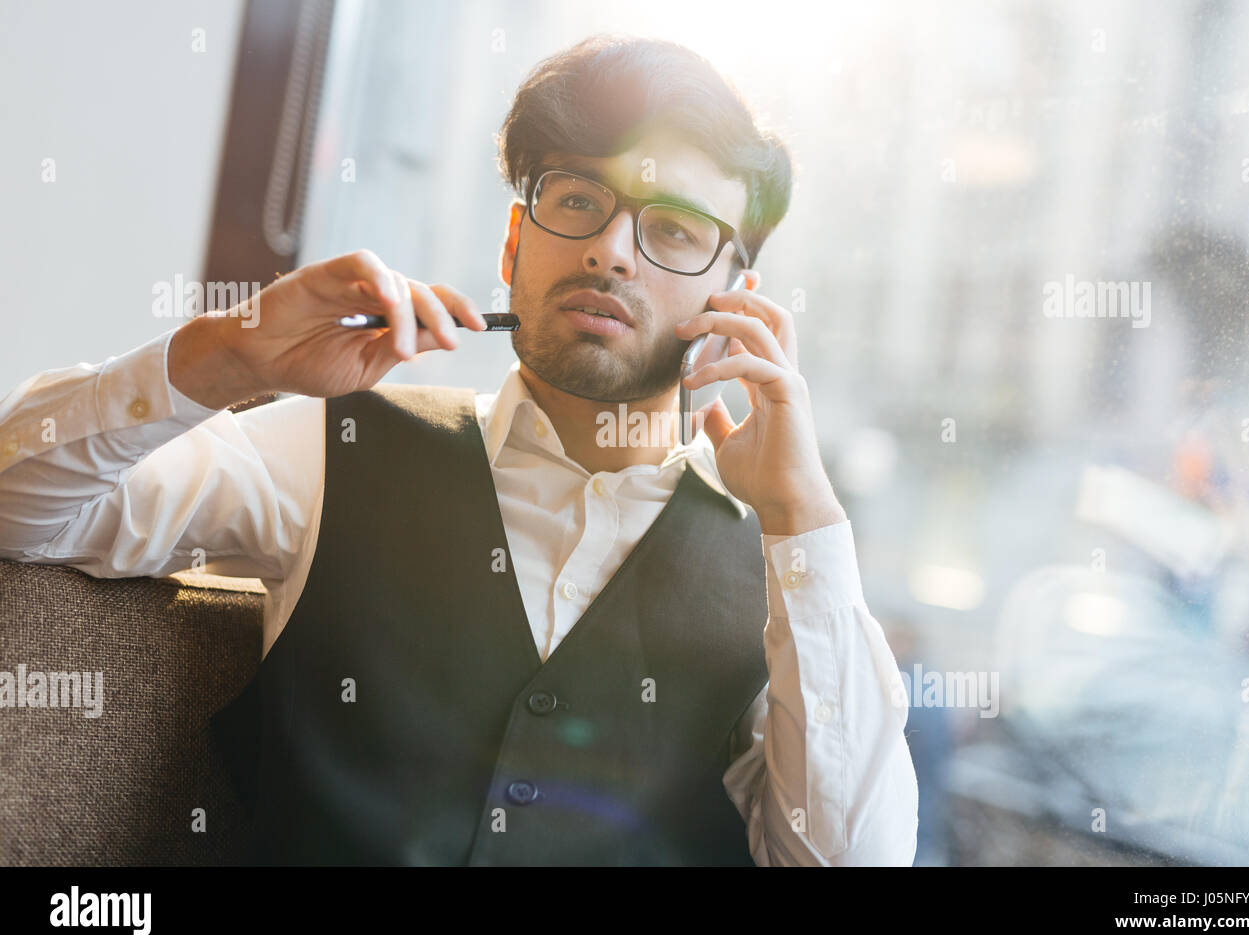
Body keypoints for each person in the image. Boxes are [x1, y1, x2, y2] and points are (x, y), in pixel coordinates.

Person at [0, 34, 918, 866]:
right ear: (516, 243)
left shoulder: (784, 581)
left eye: (672, 229)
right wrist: (226, 354)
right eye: (577, 201)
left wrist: (803, 518)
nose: (610, 251)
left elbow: (850, 860)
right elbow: (21, 508)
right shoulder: (336, 445)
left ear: (736, 301)